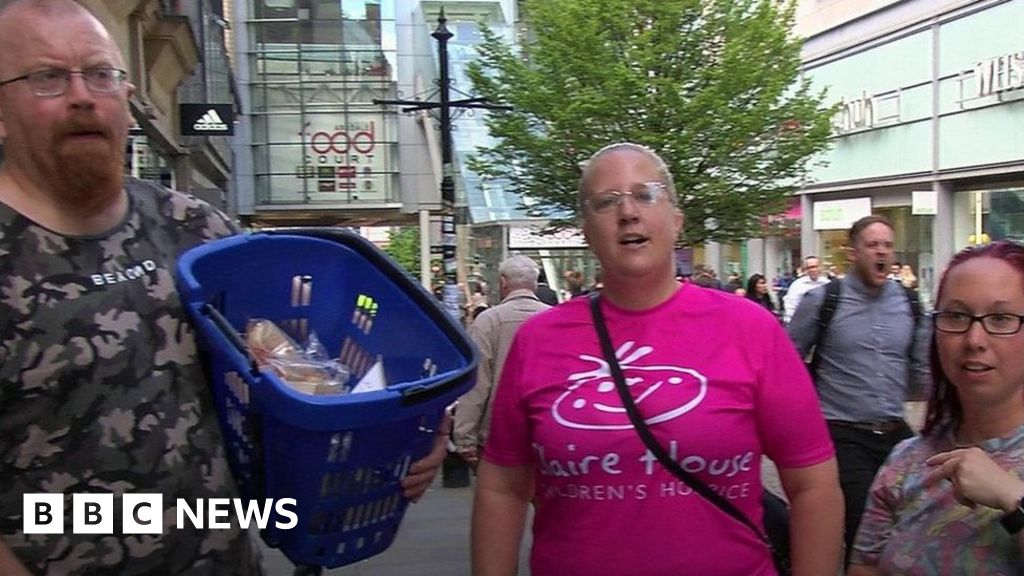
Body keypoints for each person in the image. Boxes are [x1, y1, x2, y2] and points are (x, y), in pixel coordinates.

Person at [0, 2, 445, 574]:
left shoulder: (197, 231)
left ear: (128, 97)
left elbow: (303, 374)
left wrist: (408, 428)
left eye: (100, 73)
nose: (83, 95)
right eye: (48, 78)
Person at [472, 142, 843, 575]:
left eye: (645, 194)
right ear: (586, 231)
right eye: (606, 202)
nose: (627, 211)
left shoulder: (751, 329)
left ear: (676, 220)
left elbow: (813, 484)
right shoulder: (538, 340)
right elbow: (502, 489)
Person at [849, 240, 1024, 575]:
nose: (974, 340)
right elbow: (864, 565)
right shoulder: (905, 463)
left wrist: (1013, 500)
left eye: (1001, 319)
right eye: (957, 316)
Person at [786, 215, 931, 567]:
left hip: (895, 432)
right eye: (872, 245)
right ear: (853, 252)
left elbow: (921, 371)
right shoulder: (825, 300)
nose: (881, 252)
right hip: (842, 433)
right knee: (863, 526)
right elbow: (787, 362)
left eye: (887, 245)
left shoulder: (910, 305)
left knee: (915, 520)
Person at [453, 256, 552, 469]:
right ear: (534, 283)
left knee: (500, 498)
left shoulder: (488, 321)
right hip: (547, 429)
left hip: (497, 433)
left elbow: (477, 383)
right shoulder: (554, 319)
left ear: (503, 282)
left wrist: (464, 437)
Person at [781, 255, 830, 324]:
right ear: (805, 269)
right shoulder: (797, 285)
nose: (812, 270)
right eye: (808, 268)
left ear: (820, 267)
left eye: (814, 266)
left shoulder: (827, 283)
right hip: (803, 323)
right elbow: (791, 306)